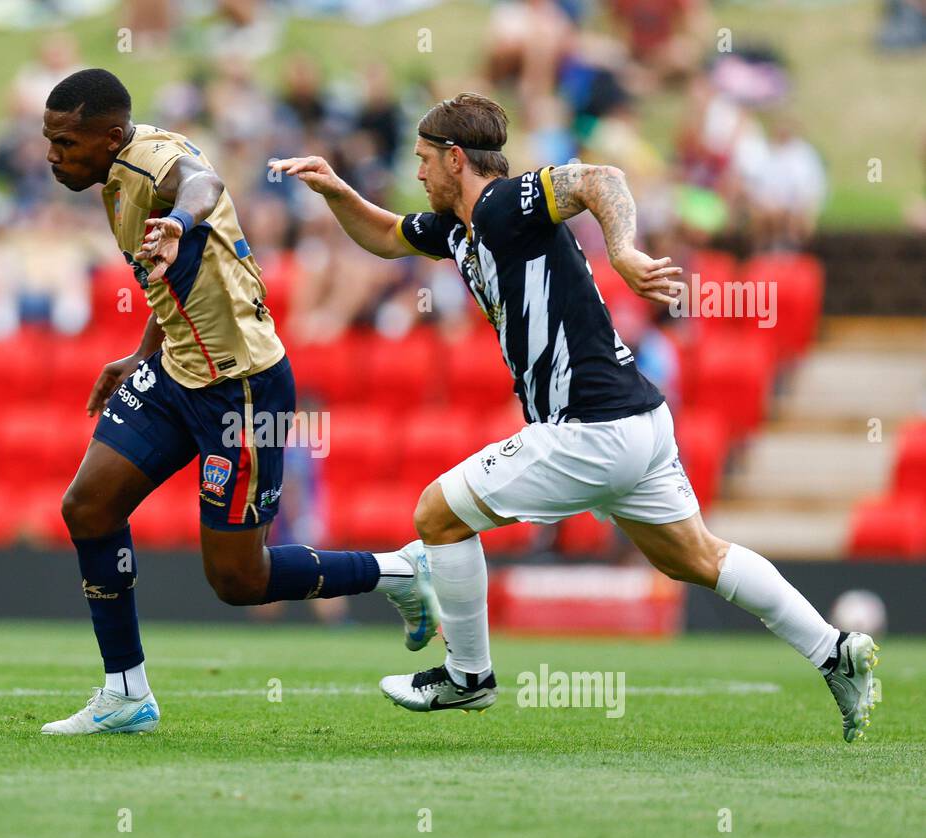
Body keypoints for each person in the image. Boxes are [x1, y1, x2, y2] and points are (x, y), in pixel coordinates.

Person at [272, 92, 879, 742]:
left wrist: (621, 250)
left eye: (423, 160)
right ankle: (833, 651)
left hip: (590, 429)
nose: (416, 173)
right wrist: (333, 189)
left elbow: (601, 178)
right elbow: (385, 236)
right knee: (696, 559)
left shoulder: (506, 203)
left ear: (456, 159)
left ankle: (468, 676)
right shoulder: (457, 229)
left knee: (436, 515)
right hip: (638, 423)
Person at [39, 69, 437, 736]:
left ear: (110, 138)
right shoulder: (111, 178)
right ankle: (125, 694)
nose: (52, 155)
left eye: (65, 143)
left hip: (241, 388)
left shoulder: (161, 165)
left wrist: (179, 220)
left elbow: (205, 184)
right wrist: (141, 354)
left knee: (238, 580)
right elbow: (171, 281)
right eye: (49, 141)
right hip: (174, 374)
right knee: (89, 506)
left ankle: (397, 569)